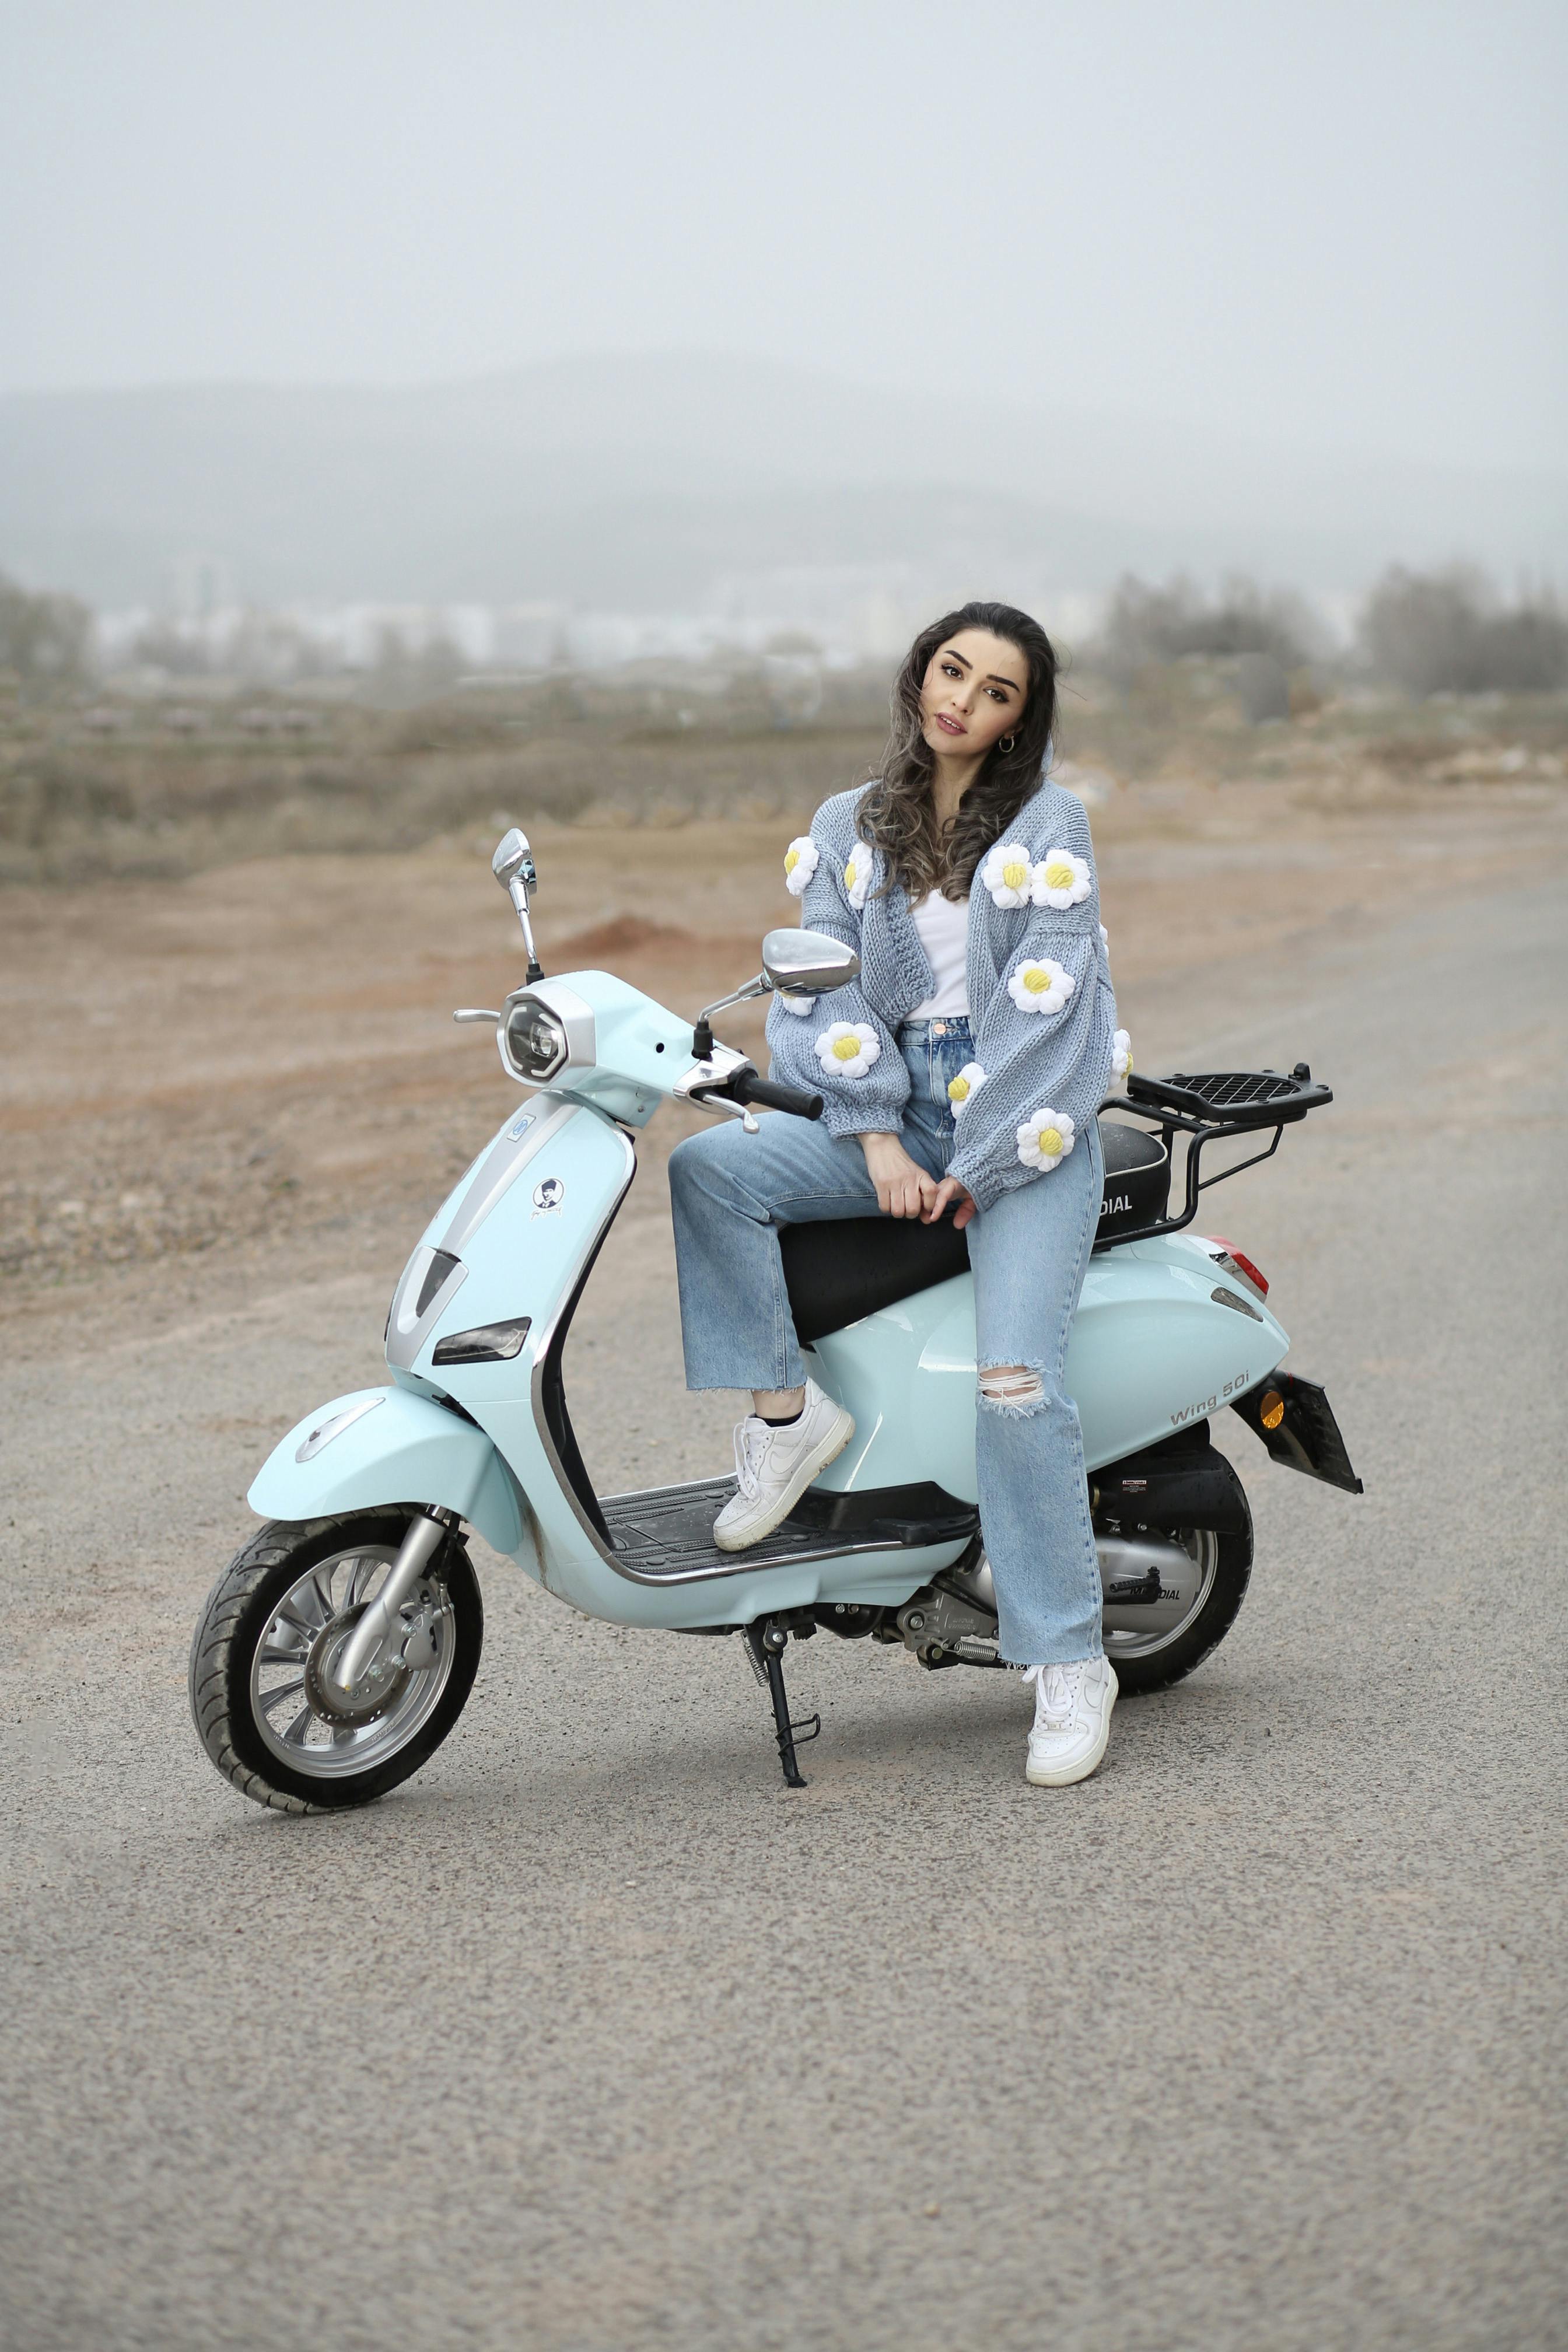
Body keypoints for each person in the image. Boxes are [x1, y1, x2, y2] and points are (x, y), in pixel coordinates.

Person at [668, 601, 1123, 1786]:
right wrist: (876, 1138)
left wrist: (980, 1164)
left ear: (1021, 719)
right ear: (922, 672)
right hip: (897, 1106)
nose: (962, 699)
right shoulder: (846, 825)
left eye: (996, 690)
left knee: (1015, 1386)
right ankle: (787, 1425)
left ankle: (1070, 1660)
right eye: (952, 670)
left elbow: (1052, 1010)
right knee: (712, 1169)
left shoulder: (1048, 824)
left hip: (1024, 1119)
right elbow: (820, 996)